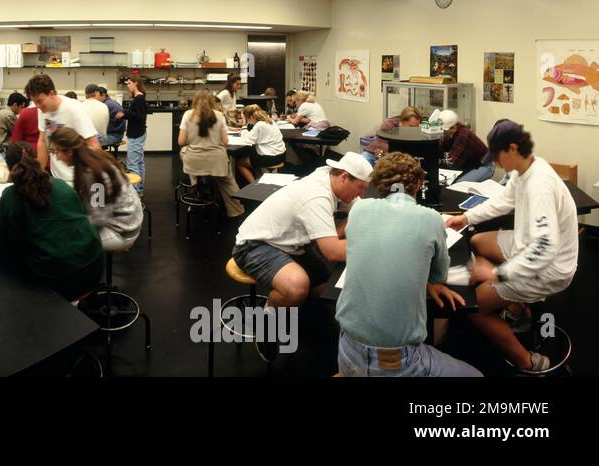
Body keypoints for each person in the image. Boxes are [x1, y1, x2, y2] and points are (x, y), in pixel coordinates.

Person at [445, 120, 578, 372]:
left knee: (474, 308)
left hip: (549, 267)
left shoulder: (540, 187)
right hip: (527, 244)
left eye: (497, 157)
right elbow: (504, 201)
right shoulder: (526, 167)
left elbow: (544, 250)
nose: (495, 163)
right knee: (476, 241)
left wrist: (497, 273)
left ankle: (528, 361)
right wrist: (466, 218)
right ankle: (517, 308)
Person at [335, 152, 481, 377]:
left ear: (379, 184)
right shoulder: (430, 218)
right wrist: (431, 280)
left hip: (346, 351)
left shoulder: (358, 210)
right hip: (396, 363)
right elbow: (439, 274)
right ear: (418, 183)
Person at [232, 152, 373, 308]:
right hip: (254, 245)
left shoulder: (330, 177)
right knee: (297, 287)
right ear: (344, 177)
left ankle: (297, 312)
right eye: (360, 188)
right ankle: (266, 321)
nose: (361, 194)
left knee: (327, 288)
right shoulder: (316, 195)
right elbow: (332, 252)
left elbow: (360, 210)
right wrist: (375, 248)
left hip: (289, 242)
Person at [0, 142, 105, 301]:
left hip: (58, 280)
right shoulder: (62, 186)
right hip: (95, 266)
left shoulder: (10, 198)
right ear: (37, 159)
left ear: (10, 168)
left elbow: (1, 247)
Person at [49, 127, 142, 251]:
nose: (57, 158)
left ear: (69, 152)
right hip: (127, 220)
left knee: (62, 241)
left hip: (122, 231)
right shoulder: (91, 155)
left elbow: (98, 218)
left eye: (57, 152)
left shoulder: (91, 173)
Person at [177, 89, 244, 218]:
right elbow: (225, 141)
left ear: (194, 101)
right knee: (228, 182)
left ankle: (196, 183)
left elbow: (181, 142)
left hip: (194, 161)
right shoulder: (219, 115)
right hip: (216, 161)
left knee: (184, 151)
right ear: (212, 102)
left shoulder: (187, 114)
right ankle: (237, 211)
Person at [25, 74, 99, 181]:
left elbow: (93, 145)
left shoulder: (73, 109)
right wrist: (39, 173)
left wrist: (94, 177)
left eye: (39, 101)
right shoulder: (42, 110)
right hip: (57, 176)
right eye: (34, 102)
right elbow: (42, 142)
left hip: (77, 177)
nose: (37, 106)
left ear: (51, 94)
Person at [231, 104, 286, 185]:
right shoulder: (270, 121)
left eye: (247, 119)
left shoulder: (259, 125)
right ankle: (259, 180)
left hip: (270, 158)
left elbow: (248, 140)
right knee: (253, 160)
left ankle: (254, 185)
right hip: (281, 155)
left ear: (251, 118)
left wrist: (243, 126)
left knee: (240, 163)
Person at [434, 110, 492, 182]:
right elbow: (442, 150)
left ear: (452, 127)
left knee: (459, 184)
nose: (442, 132)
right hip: (468, 163)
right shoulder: (451, 129)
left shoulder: (462, 135)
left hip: (484, 165)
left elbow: (451, 162)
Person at [124, 76, 148, 193]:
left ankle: (135, 192)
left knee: (133, 164)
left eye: (129, 83)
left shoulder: (138, 99)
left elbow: (139, 117)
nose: (127, 85)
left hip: (136, 134)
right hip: (139, 133)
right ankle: (140, 188)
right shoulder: (139, 98)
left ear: (136, 83)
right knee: (139, 162)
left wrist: (124, 113)